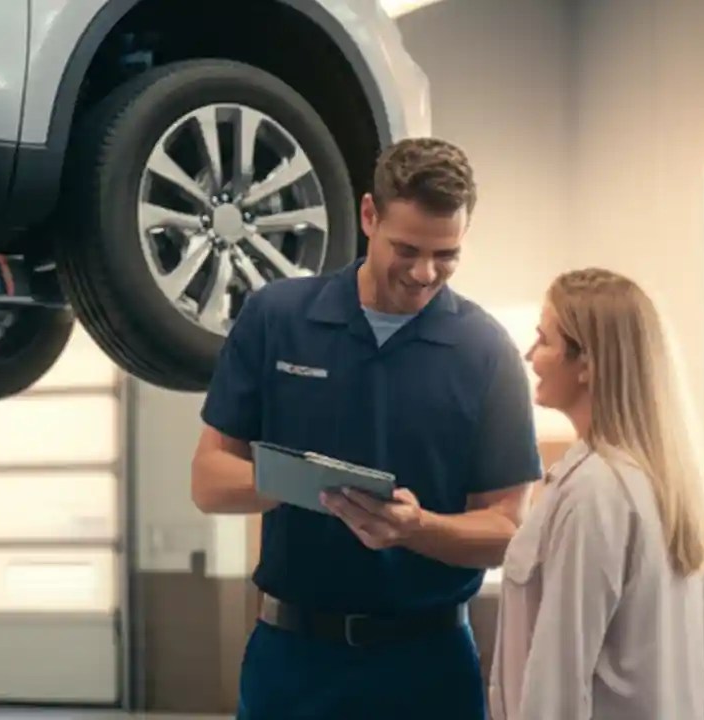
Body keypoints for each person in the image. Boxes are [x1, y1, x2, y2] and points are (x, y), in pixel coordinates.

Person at [190, 137, 543, 719]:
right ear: (368, 215)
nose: (425, 273)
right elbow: (209, 480)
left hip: (429, 666)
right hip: (293, 660)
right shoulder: (277, 318)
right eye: (406, 248)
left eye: (447, 254)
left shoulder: (487, 351)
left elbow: (507, 529)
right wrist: (307, 484)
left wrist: (414, 528)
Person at [487, 268, 704, 720]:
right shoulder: (647, 479)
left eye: (544, 340)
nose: (531, 355)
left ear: (586, 364)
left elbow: (557, 683)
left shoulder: (595, 491)